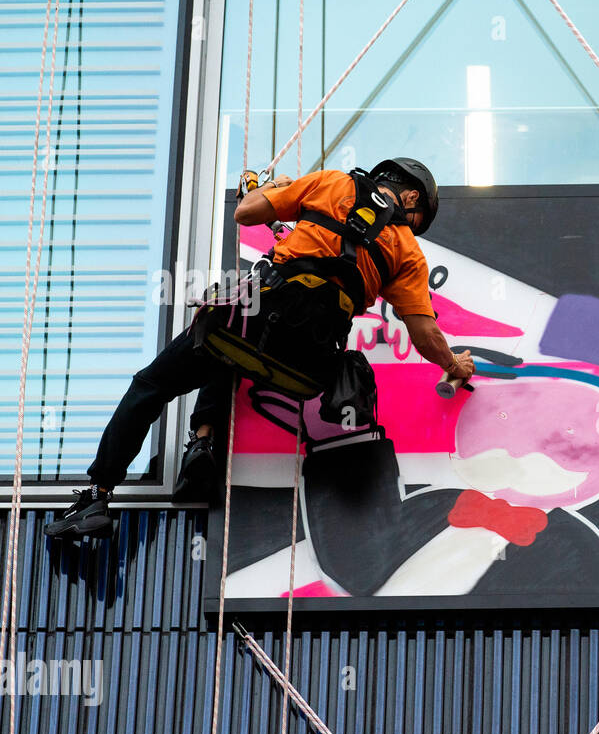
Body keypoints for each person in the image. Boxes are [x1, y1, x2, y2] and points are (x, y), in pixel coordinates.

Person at [44, 157, 475, 538]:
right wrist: (454, 362)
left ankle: (98, 496)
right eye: (420, 219)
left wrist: (266, 189)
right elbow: (424, 334)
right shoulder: (408, 253)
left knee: (154, 383)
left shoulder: (332, 183)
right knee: (230, 356)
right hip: (310, 361)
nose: (414, 227)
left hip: (259, 321)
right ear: (411, 194)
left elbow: (246, 214)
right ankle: (204, 440)